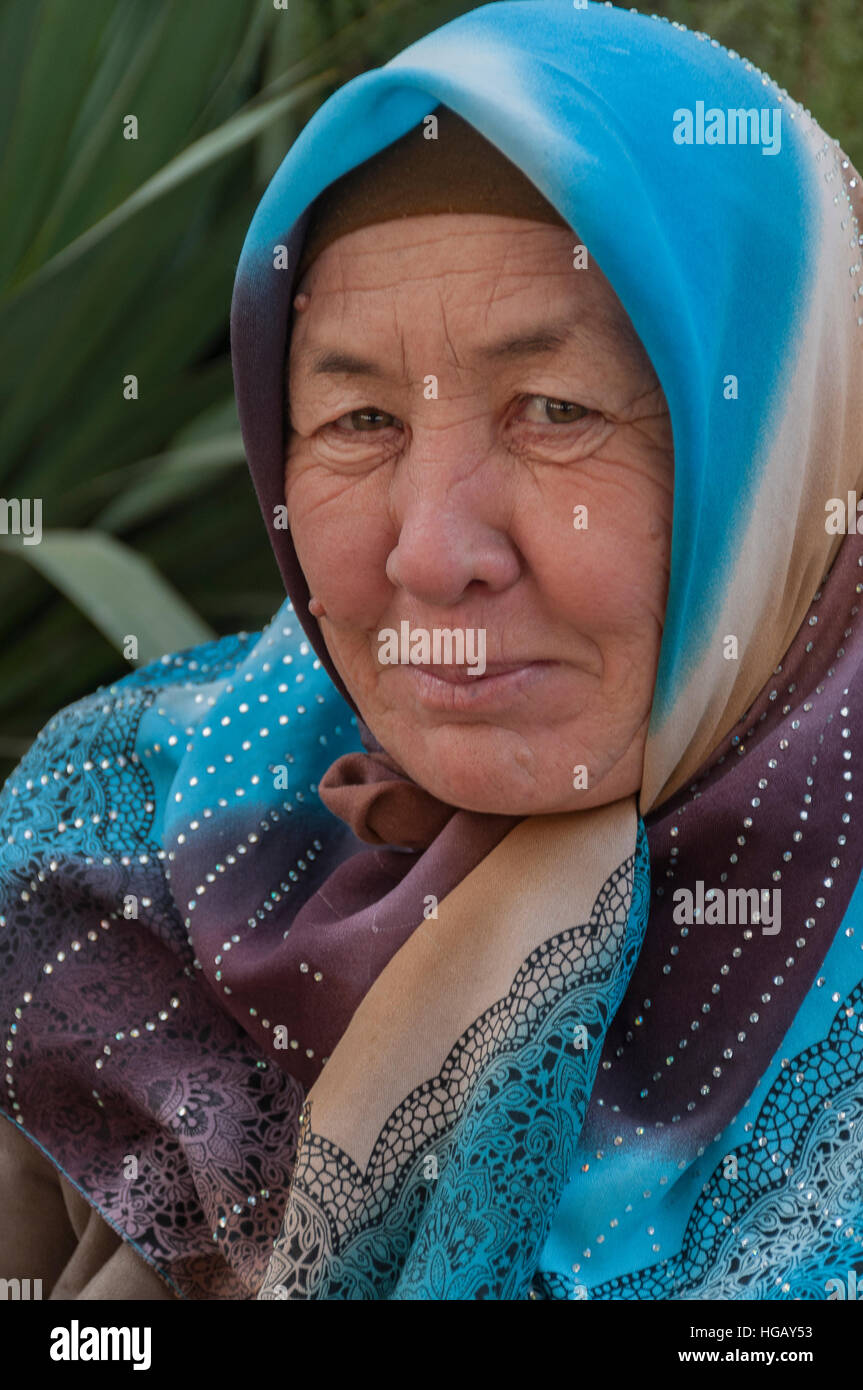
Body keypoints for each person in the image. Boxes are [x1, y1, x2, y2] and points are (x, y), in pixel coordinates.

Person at [2, 0, 862, 1301]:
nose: (428, 551)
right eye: (355, 417)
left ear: (792, 446)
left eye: (556, 410)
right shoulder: (105, 870)